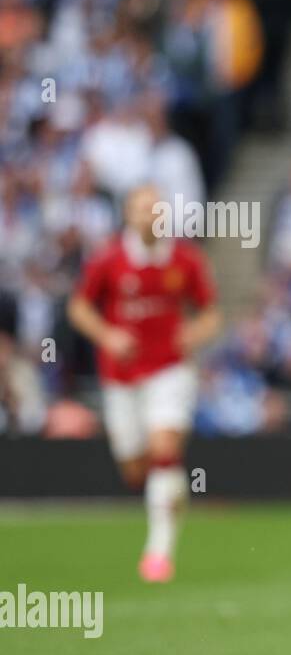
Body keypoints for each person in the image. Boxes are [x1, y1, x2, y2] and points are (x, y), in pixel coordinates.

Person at [67, 183, 221, 582]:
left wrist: (194, 333)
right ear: (128, 215)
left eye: (155, 209)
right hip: (121, 377)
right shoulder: (109, 260)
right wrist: (108, 336)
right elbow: (79, 307)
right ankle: (172, 495)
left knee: (164, 447)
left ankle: (158, 553)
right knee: (137, 468)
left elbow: (211, 314)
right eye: (141, 209)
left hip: (170, 369)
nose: (149, 216)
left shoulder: (185, 260)